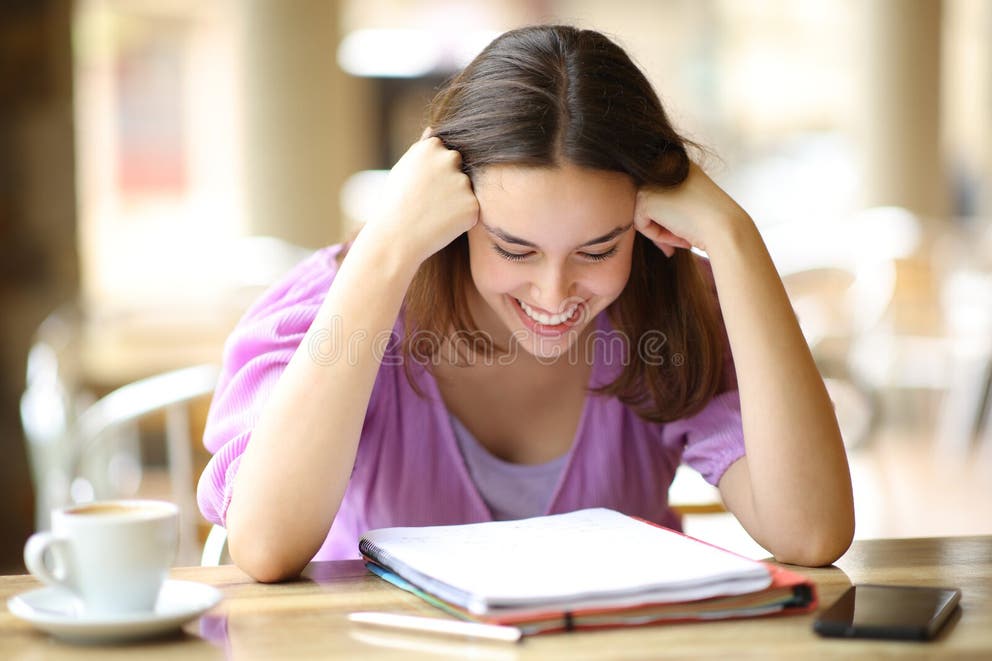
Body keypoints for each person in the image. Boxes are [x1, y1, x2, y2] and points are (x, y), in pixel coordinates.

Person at [197, 25, 854, 582]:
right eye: (515, 248)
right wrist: (388, 244)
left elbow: (811, 532)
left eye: (598, 250)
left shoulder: (667, 309)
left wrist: (735, 239)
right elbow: (264, 546)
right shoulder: (343, 300)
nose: (554, 294)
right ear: (454, 217)